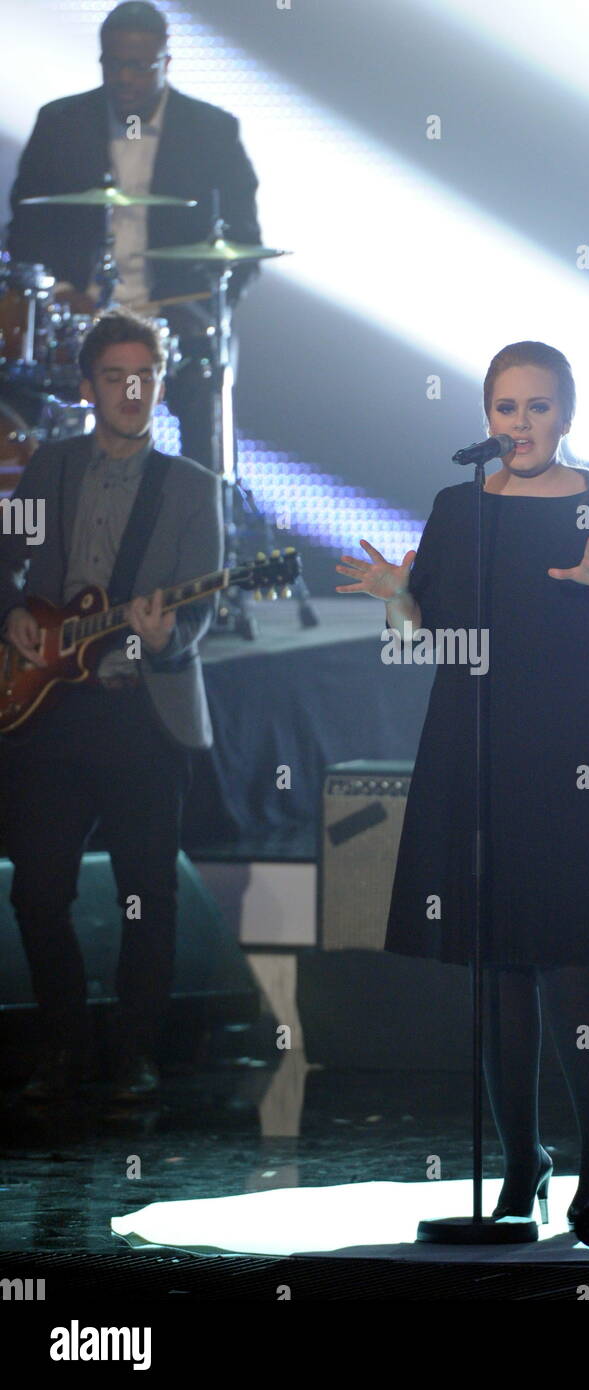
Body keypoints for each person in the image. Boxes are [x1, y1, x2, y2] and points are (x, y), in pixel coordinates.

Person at [336, 340, 589, 1228]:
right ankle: (524, 1162)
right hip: (476, 746)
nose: (518, 424)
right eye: (503, 408)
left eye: (536, 408)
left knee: (573, 958)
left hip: (576, 750)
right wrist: (393, 598)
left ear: (566, 414)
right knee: (497, 968)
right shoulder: (460, 507)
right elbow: (431, 638)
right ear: (485, 418)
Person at [0, 308, 223, 1102]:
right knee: (36, 890)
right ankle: (64, 1046)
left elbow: (202, 611)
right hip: (49, 711)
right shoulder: (49, 466)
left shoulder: (195, 489)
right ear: (87, 385)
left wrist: (166, 638)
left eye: (145, 375)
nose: (132, 389)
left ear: (158, 384)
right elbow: (8, 552)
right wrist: (13, 610)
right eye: (114, 375)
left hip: (140, 711)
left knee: (145, 890)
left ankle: (133, 1056)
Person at [5, 0, 261, 471]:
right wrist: (62, 294)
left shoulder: (212, 131)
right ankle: (39, 518)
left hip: (173, 318)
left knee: (204, 400)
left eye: (138, 66)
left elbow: (244, 244)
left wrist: (200, 306)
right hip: (78, 317)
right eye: (114, 64)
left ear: (165, 62)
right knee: (16, 381)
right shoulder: (60, 122)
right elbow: (25, 229)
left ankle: (202, 516)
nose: (124, 78)